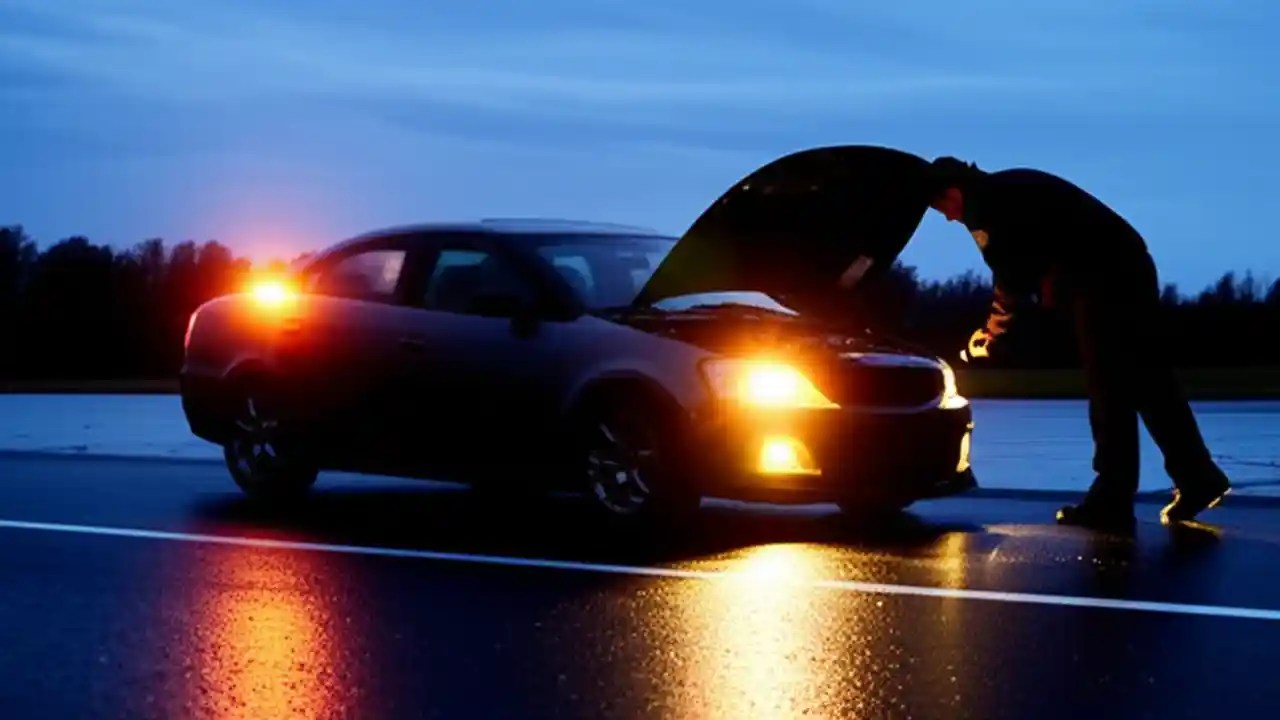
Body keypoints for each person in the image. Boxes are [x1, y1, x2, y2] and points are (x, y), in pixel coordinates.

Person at [925, 156, 1231, 531]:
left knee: (1110, 389)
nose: (948, 218)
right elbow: (1036, 259)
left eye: (943, 208)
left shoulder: (984, 206)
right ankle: (1198, 476)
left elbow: (1010, 279)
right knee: (1148, 382)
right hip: (1126, 268)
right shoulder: (1009, 186)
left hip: (1104, 281)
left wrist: (990, 338)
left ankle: (1112, 499)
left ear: (953, 191)